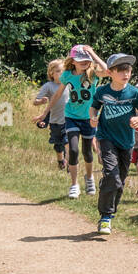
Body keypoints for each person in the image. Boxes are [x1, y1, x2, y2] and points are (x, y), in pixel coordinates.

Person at [88, 54, 138, 235]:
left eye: (128, 70)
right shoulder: (102, 92)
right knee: (113, 175)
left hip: (126, 142)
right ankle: (105, 217)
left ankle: (110, 208)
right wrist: (93, 117)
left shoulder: (134, 93)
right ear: (110, 72)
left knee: (119, 181)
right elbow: (94, 107)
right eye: (121, 70)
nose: (126, 74)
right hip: (106, 138)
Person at [58, 44, 108, 198]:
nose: (85, 62)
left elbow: (107, 71)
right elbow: (58, 94)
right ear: (73, 61)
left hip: (89, 118)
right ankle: (74, 185)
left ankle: (89, 178)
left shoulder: (92, 74)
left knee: (87, 151)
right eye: (81, 60)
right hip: (71, 116)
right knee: (73, 150)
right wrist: (45, 112)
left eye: (87, 60)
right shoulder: (67, 75)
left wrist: (92, 53)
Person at [33, 59, 68, 170]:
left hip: (69, 119)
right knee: (58, 145)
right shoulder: (48, 86)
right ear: (51, 73)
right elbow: (35, 102)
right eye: (58, 71)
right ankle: (60, 161)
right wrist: (41, 101)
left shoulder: (69, 84)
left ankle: (71, 164)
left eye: (63, 71)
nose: (61, 73)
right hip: (54, 120)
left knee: (68, 142)